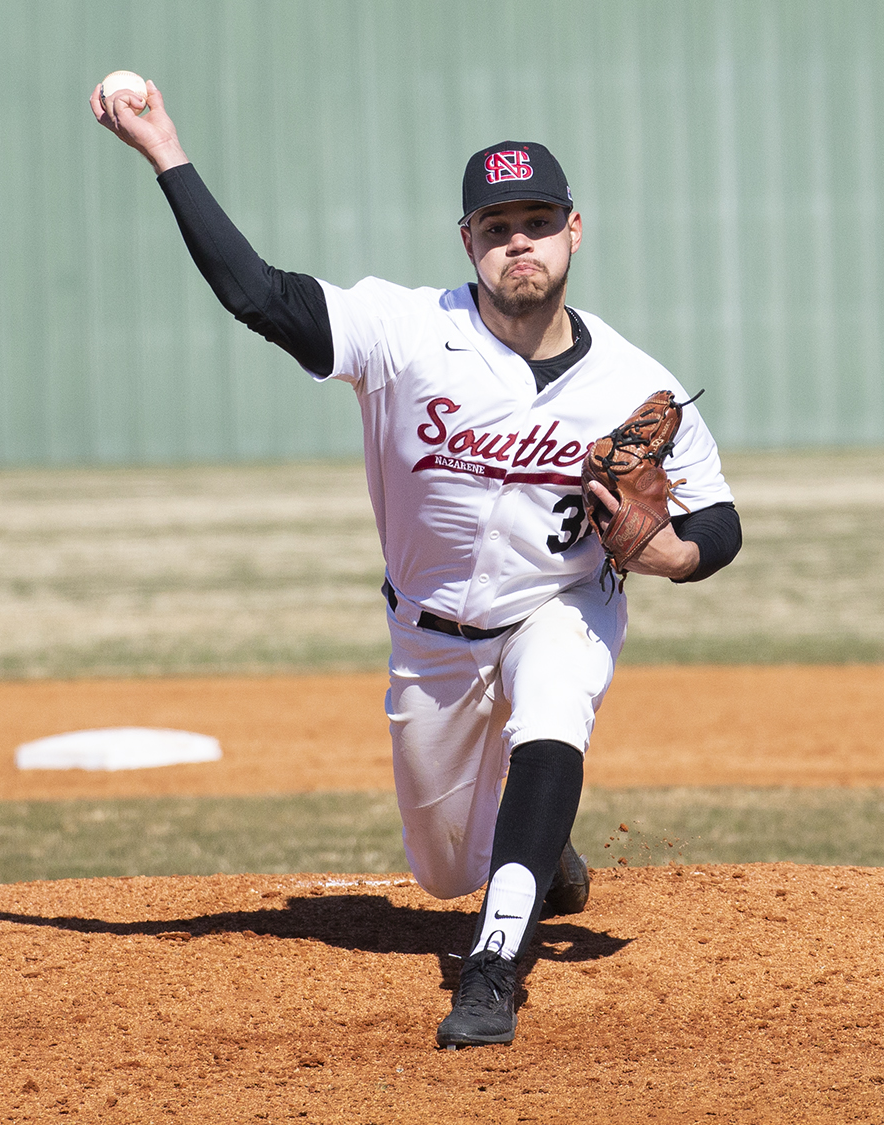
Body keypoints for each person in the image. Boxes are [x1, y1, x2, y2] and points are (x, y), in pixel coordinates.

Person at [90, 79, 742, 1048]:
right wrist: (165, 151)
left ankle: (492, 970)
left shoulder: (632, 385)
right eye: (494, 225)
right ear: (466, 240)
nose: (516, 241)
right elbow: (257, 295)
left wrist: (672, 552)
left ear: (573, 231)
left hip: (558, 606)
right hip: (428, 636)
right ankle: (538, 855)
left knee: (557, 696)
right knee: (442, 870)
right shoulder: (400, 332)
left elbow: (720, 521)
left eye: (534, 221)